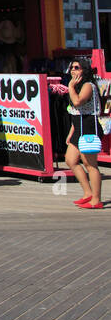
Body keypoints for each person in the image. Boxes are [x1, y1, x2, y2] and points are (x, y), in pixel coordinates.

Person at [63, 59, 103, 209]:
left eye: (77, 68)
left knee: (90, 164)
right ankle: (88, 193)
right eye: (71, 68)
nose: (73, 70)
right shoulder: (77, 86)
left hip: (88, 127)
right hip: (78, 127)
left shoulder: (87, 86)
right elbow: (76, 112)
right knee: (70, 160)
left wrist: (70, 87)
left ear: (84, 70)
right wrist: (71, 132)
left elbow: (78, 102)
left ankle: (96, 199)